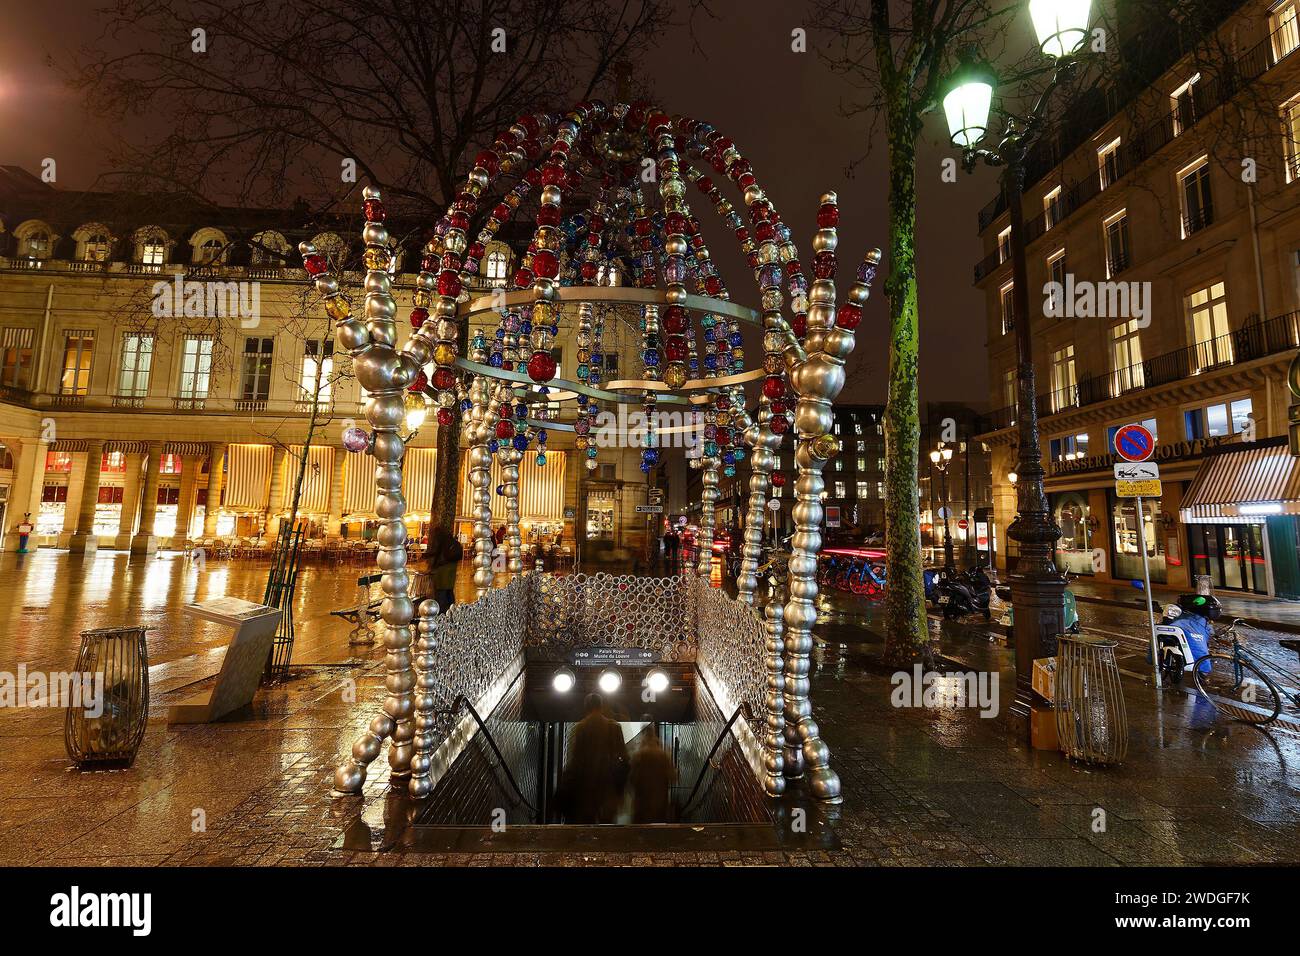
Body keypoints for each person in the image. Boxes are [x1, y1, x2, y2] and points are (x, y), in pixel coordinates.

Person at [556, 693, 628, 824]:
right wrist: (620, 789)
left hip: (586, 787)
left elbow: (576, 759)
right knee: (607, 827)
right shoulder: (614, 726)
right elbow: (624, 758)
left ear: (586, 707)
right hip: (608, 786)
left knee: (586, 826)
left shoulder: (581, 727)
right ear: (601, 706)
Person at [628, 724, 676, 823]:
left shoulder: (638, 755)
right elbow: (673, 777)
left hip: (642, 801)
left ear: (642, 735)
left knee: (640, 828)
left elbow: (632, 778)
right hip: (659, 800)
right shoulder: (663, 754)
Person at [425, 526, 463, 612]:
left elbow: (437, 552)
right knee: (449, 591)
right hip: (451, 569)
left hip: (443, 570)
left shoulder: (441, 540)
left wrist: (431, 561)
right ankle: (451, 610)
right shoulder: (451, 540)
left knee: (441, 592)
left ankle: (441, 612)